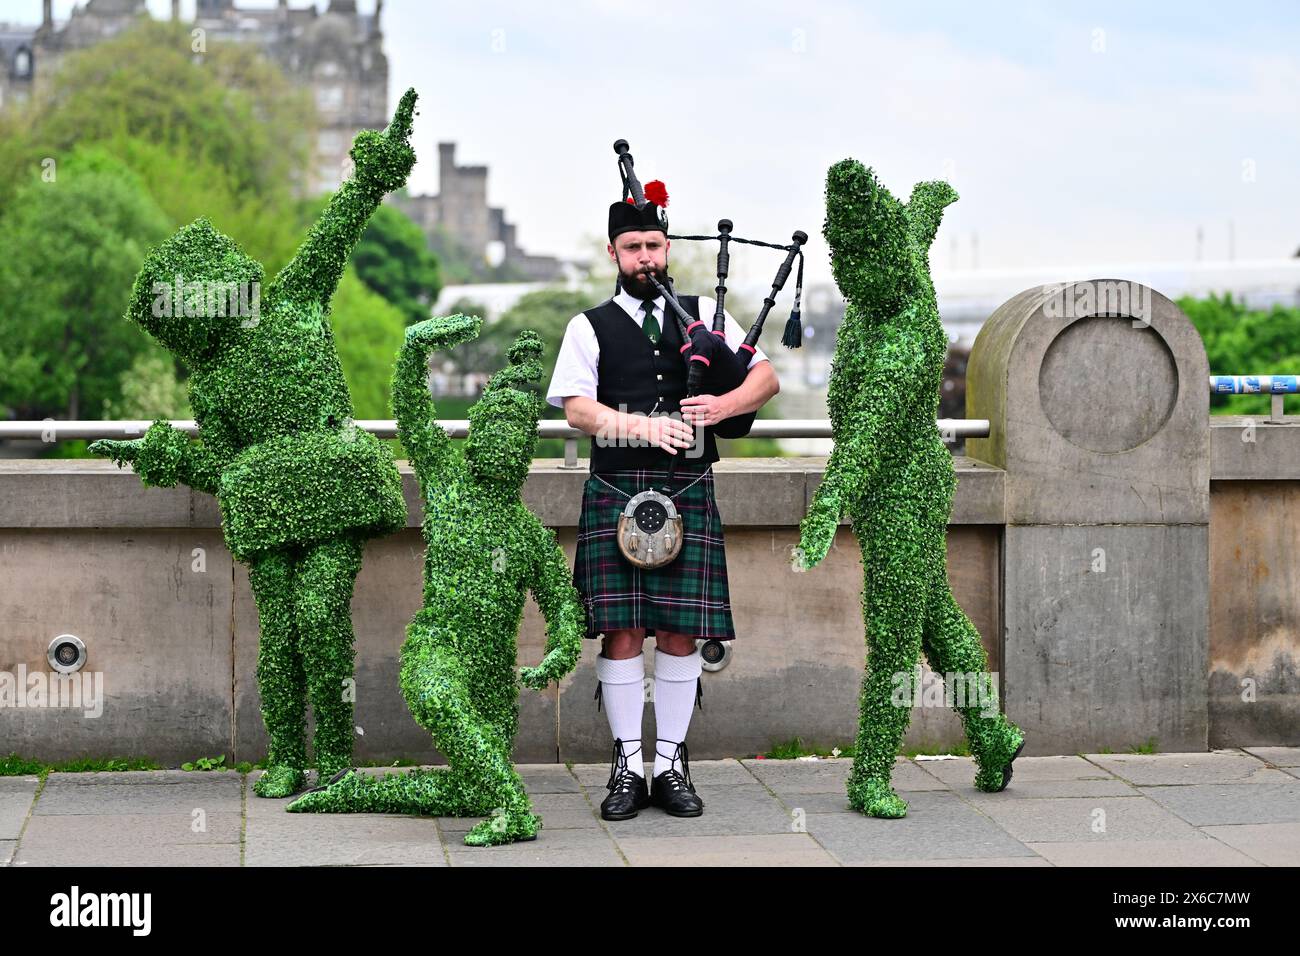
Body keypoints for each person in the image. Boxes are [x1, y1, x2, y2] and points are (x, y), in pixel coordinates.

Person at [546, 195, 779, 820]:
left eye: (653, 246)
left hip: (688, 487)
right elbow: (576, 410)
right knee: (621, 633)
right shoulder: (587, 326)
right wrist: (645, 429)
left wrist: (724, 408)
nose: (644, 258)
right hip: (616, 489)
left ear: (668, 248)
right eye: (632, 248)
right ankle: (627, 765)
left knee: (680, 631)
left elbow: (766, 378)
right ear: (614, 254)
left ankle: (669, 764)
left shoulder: (705, 317)